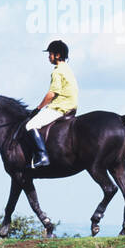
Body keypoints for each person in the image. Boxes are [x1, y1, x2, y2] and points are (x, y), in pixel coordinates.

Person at [26, 40, 79, 168]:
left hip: (60, 107)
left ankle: (42, 156)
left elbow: (52, 94)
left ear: (57, 55)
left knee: (30, 125)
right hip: (71, 106)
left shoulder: (57, 72)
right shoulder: (67, 69)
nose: (49, 56)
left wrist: (38, 108)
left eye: (50, 54)